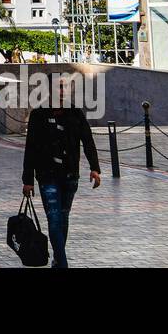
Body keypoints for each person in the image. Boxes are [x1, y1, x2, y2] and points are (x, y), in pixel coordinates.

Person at [21, 77, 101, 269]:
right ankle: (63, 263)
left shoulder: (75, 114)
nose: (62, 90)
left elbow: (88, 141)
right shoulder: (38, 115)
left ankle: (58, 259)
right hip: (47, 175)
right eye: (58, 87)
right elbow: (30, 148)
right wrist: (28, 180)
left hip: (70, 175)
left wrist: (95, 168)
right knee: (54, 217)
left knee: (63, 217)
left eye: (65, 87)